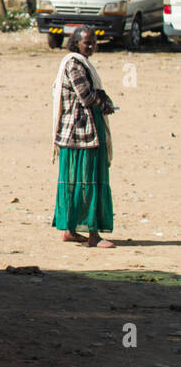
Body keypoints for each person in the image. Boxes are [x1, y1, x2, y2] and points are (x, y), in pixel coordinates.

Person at [51, 26, 115, 248]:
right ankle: (92, 235)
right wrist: (102, 98)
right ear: (75, 43)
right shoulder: (74, 64)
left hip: (80, 134)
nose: (91, 46)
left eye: (94, 43)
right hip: (81, 135)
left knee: (76, 183)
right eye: (87, 43)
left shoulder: (81, 63)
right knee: (88, 183)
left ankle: (70, 230)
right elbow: (86, 97)